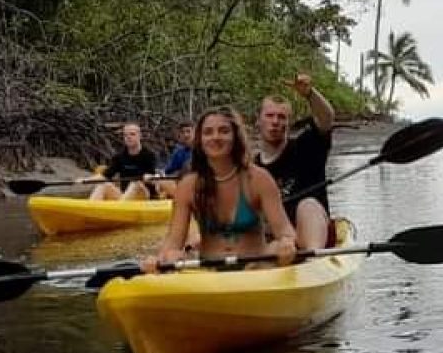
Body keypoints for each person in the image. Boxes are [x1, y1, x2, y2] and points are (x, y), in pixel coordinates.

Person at [142, 107, 296, 271]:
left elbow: (285, 231)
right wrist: (161, 258)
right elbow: (173, 241)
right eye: (208, 132)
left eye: (224, 131)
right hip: (210, 271)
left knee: (276, 247)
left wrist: (286, 243)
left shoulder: (259, 179)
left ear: (235, 137)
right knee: (173, 256)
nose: (215, 137)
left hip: (256, 267)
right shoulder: (188, 186)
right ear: (200, 141)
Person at [255, 72, 334, 250]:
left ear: (289, 123)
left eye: (281, 117)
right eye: (269, 116)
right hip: (278, 241)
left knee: (307, 205)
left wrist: (310, 94)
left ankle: (311, 260)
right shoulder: (251, 168)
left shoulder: (306, 147)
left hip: (312, 234)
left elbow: (326, 120)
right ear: (258, 121)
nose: (275, 121)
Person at [89, 122, 159, 202]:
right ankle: (88, 210)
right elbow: (105, 176)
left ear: (140, 136)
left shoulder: (149, 155)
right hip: (125, 196)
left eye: (132, 134)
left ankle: (118, 208)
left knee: (135, 184)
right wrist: (84, 180)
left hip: (144, 195)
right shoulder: (119, 157)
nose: (128, 137)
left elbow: (154, 179)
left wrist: (150, 177)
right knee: (103, 184)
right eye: (125, 135)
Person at [155, 121, 194, 199]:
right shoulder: (179, 152)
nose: (186, 135)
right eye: (183, 132)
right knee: (157, 180)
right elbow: (168, 170)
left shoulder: (202, 150)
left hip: (196, 185)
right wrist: (159, 172)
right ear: (180, 135)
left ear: (194, 132)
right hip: (180, 183)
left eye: (188, 131)